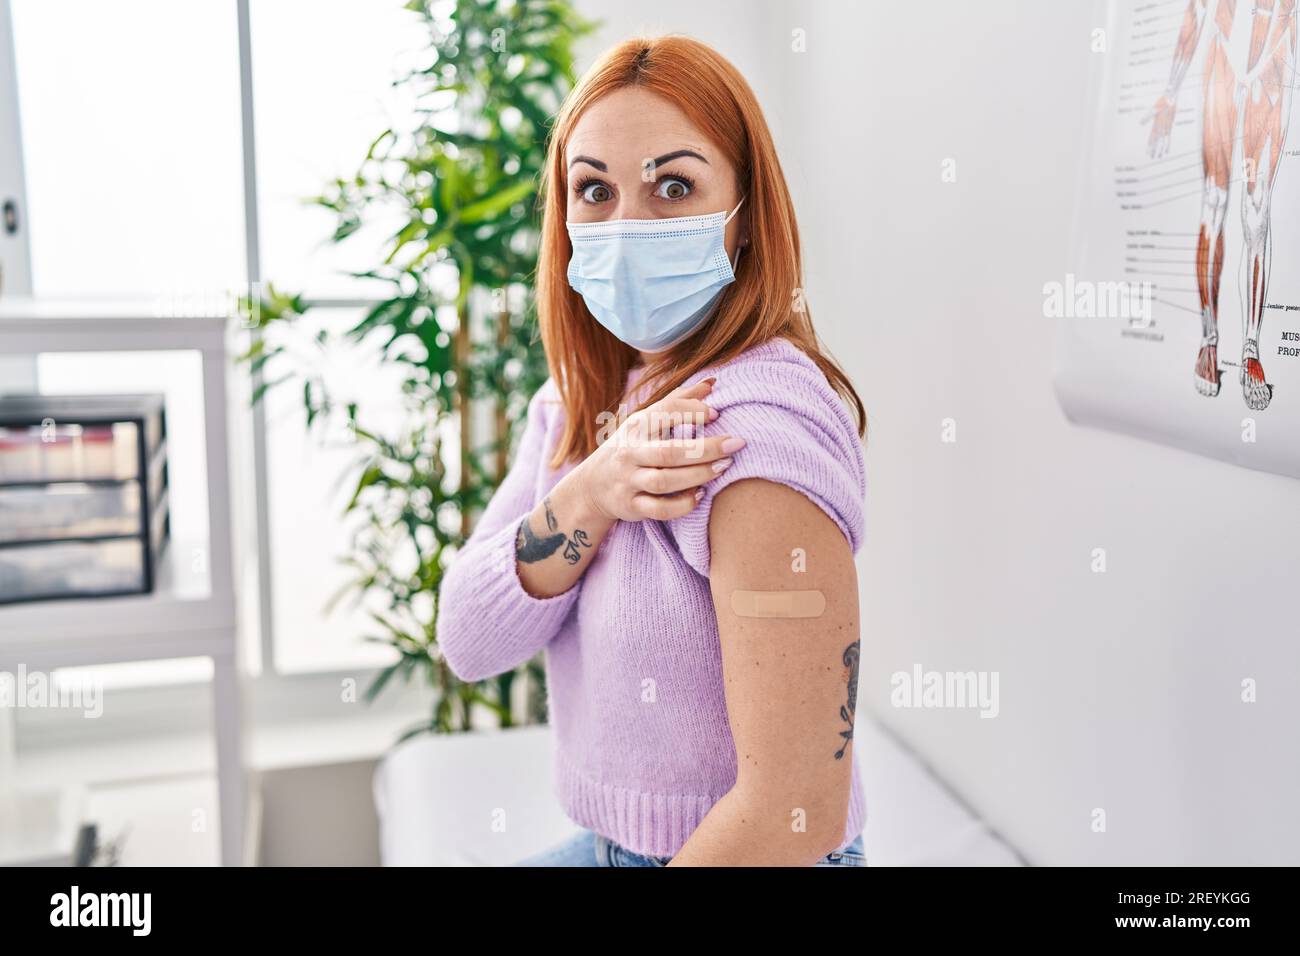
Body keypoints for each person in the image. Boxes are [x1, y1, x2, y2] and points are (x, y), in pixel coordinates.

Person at [436, 34, 869, 867]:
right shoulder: (577, 406)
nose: (626, 226)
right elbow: (467, 637)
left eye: (674, 186)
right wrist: (592, 491)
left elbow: (794, 811)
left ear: (746, 217)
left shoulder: (755, 433)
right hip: (609, 848)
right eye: (593, 191)